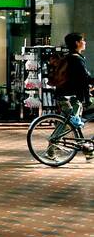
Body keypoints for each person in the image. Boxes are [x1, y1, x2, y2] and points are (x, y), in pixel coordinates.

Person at [48, 32, 93, 160]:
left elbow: (76, 79)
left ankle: (88, 150)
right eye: (83, 40)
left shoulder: (69, 57)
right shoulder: (76, 59)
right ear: (77, 43)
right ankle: (52, 149)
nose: (85, 42)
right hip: (71, 97)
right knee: (69, 124)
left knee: (69, 122)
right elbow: (85, 78)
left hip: (64, 95)